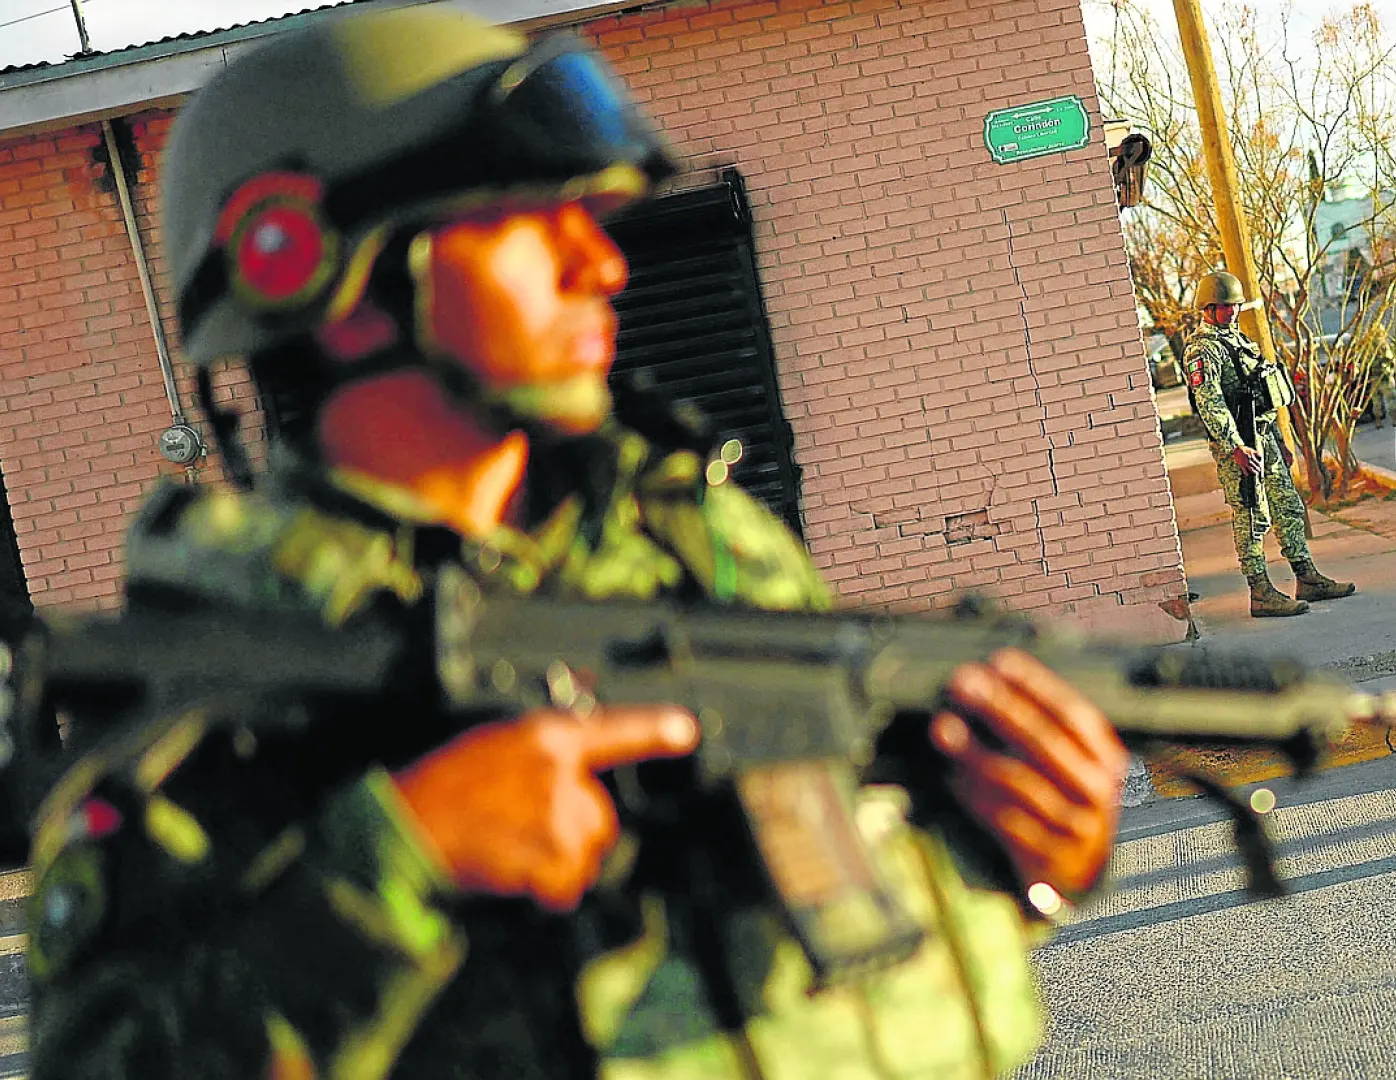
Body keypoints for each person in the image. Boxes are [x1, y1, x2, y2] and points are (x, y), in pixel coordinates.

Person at [25, 10, 1129, 1077]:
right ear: (335, 280)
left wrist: (1015, 862)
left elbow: (825, 917)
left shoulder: (699, 539)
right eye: (524, 221)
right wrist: (404, 856)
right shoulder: (232, 665)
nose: (602, 266)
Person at [1186, 270, 1355, 617]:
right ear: (1208, 309)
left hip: (1264, 439)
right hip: (1240, 448)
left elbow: (1262, 398)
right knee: (1251, 516)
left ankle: (1306, 576)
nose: (1232, 312)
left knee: (1288, 506)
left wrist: (1280, 440)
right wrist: (1236, 446)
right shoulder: (1203, 351)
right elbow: (1211, 403)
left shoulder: (1240, 342)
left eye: (1234, 306)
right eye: (1224, 307)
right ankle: (1260, 590)